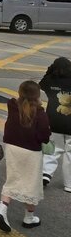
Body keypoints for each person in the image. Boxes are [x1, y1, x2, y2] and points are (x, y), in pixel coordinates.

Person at [0, 81, 51, 232]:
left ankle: (2, 210)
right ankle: (29, 217)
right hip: (31, 151)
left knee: (12, 179)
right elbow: (44, 136)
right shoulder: (40, 112)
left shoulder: (12, 105)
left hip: (12, 147)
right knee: (31, 183)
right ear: (37, 95)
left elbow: (17, 101)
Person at [40, 57, 71, 191]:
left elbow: (41, 83)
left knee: (52, 149)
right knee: (69, 153)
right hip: (70, 122)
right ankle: (69, 184)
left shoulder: (50, 80)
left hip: (53, 120)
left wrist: (49, 71)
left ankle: (46, 174)